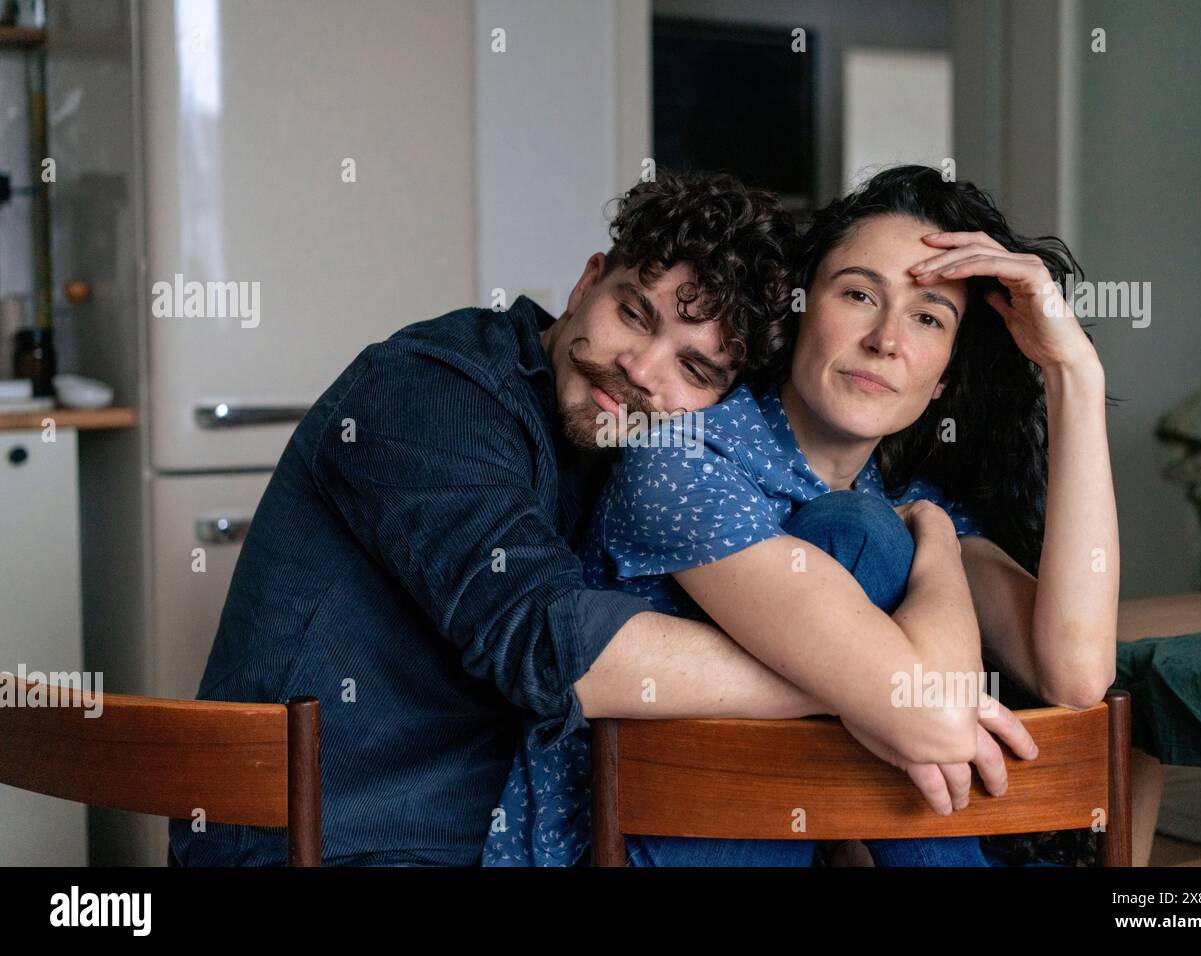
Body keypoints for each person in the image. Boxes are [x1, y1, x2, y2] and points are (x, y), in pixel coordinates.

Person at [168, 170, 829, 865]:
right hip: (321, 847)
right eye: (634, 315)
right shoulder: (430, 391)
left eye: (694, 369)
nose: (641, 369)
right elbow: (554, 651)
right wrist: (851, 688)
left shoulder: (648, 454)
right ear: (586, 284)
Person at [484, 165, 1119, 867]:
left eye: (928, 317)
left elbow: (1077, 672)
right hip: (631, 845)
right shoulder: (682, 457)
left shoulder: (909, 494)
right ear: (799, 308)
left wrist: (1074, 376)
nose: (886, 339)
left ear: (942, 377)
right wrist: (936, 549)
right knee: (859, 532)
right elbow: (936, 718)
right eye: (858, 295)